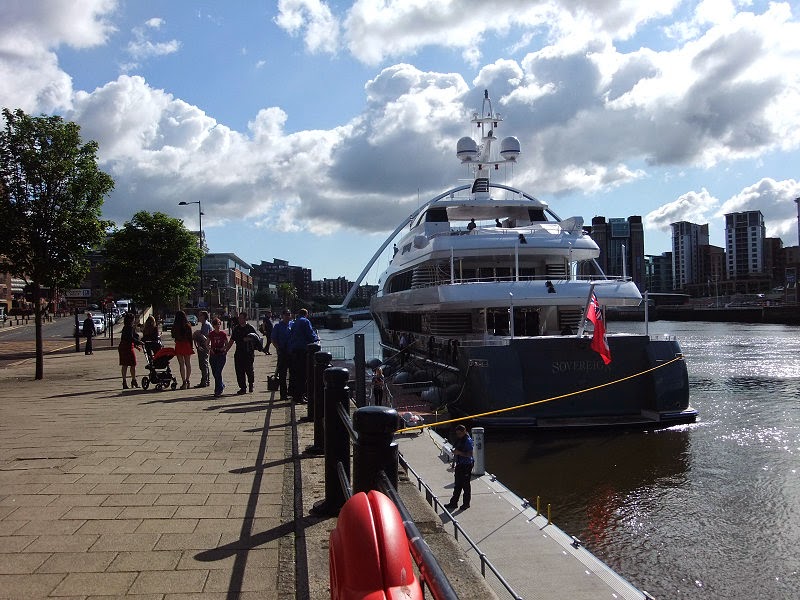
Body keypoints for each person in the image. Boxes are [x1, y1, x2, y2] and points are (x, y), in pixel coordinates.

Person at [287, 308, 319, 402]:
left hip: (294, 350)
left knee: (296, 373)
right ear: (306, 314)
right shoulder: (305, 321)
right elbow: (310, 334)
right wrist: (316, 338)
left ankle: (296, 395)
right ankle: (300, 396)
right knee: (303, 374)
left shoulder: (295, 322)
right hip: (302, 350)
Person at [226, 312, 259, 394]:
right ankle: (243, 388)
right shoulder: (236, 328)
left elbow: (257, 339)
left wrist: (249, 339)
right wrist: (226, 350)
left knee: (249, 370)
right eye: (239, 318)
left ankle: (251, 384)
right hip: (239, 352)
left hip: (248, 353)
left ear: (245, 319)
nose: (239, 319)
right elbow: (231, 340)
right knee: (239, 371)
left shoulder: (250, 328)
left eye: (241, 318)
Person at [444, 424, 474, 511]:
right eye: (457, 433)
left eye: (460, 433)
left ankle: (466, 504)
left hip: (466, 465)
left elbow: (470, 454)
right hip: (460, 464)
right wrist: (454, 462)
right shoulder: (459, 439)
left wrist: (459, 453)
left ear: (464, 432)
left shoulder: (467, 441)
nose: (458, 435)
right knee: (457, 484)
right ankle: (453, 503)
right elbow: (456, 451)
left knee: (465, 485)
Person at [270, 309, 293, 400]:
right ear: (282, 316)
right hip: (282, 353)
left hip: (291, 352)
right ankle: (283, 394)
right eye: (286, 314)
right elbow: (273, 339)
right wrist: (278, 348)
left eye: (289, 314)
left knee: (292, 373)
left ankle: (291, 392)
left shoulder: (292, 324)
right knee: (282, 374)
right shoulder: (278, 326)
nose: (287, 316)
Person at [118, 312, 142, 389]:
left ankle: (124, 381)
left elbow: (129, 338)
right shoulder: (129, 328)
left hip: (123, 346)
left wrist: (136, 346)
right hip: (127, 347)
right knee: (133, 364)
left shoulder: (125, 327)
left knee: (124, 365)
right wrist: (138, 342)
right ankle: (133, 380)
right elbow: (130, 338)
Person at [171, 310, 194, 389]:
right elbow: (190, 337)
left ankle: (184, 381)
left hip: (179, 344)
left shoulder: (175, 326)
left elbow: (173, 335)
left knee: (181, 364)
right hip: (187, 344)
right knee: (188, 363)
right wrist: (191, 346)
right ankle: (188, 380)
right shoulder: (188, 325)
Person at [208, 317, 229, 397]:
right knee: (214, 373)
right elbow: (207, 344)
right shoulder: (211, 334)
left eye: (219, 324)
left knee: (218, 372)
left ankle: (218, 390)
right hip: (213, 355)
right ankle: (221, 385)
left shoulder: (223, 334)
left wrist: (222, 349)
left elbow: (227, 344)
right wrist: (211, 349)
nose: (218, 326)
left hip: (221, 355)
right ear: (213, 325)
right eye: (216, 324)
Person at [194, 311, 212, 388]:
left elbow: (206, 337)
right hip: (203, 346)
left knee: (203, 364)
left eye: (200, 315)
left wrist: (198, 334)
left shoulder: (206, 325)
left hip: (204, 347)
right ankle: (205, 381)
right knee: (203, 364)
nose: (199, 317)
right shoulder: (204, 324)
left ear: (204, 316)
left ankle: (205, 381)